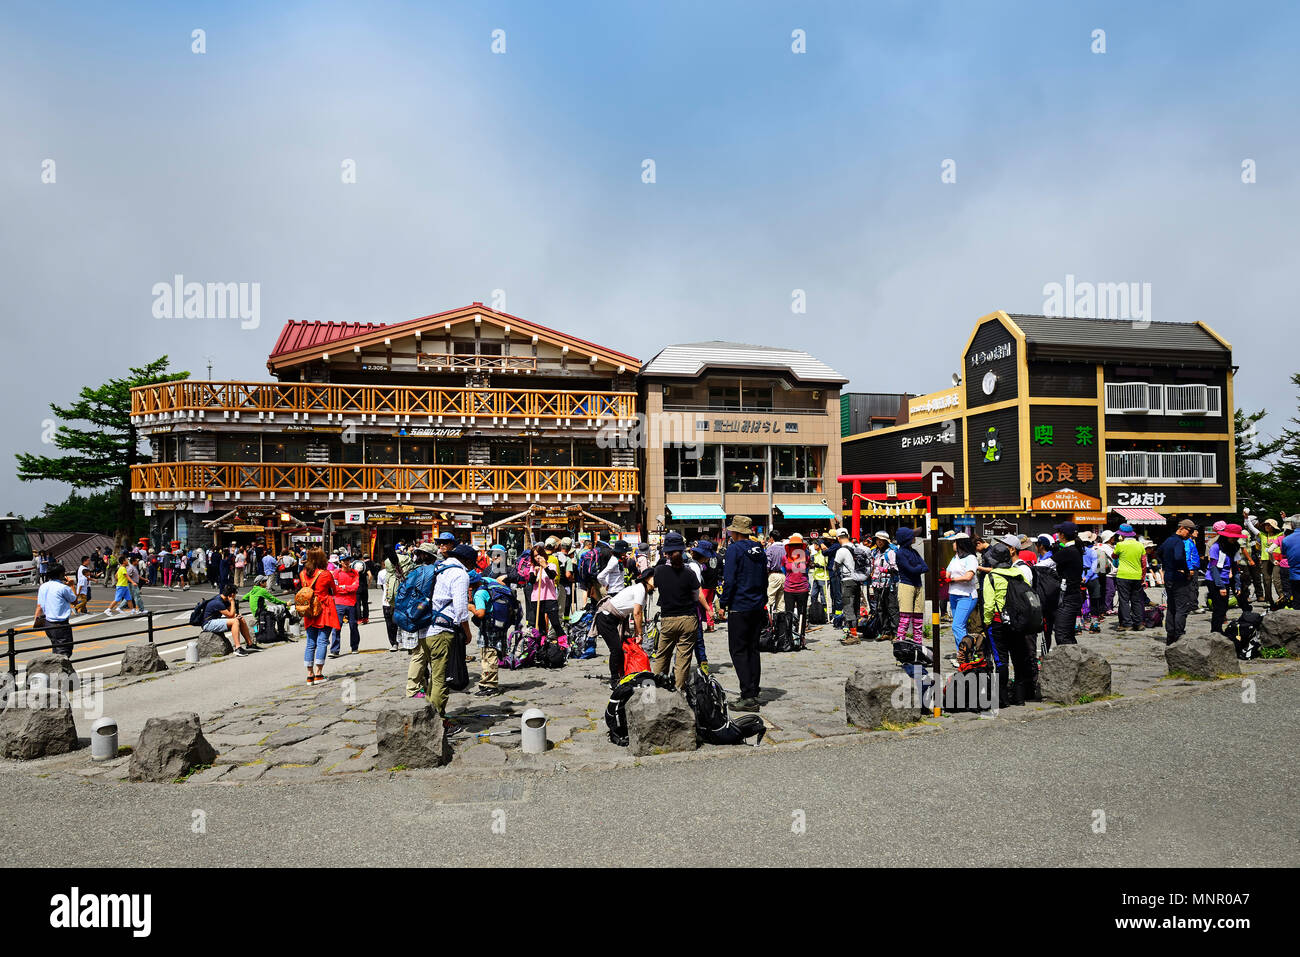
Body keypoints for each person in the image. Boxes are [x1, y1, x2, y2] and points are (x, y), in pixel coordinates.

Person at [406, 544, 474, 717]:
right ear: (466, 560)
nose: (472, 568)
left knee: (434, 677)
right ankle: (437, 721)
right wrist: (467, 633)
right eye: (472, 564)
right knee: (441, 679)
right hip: (441, 632)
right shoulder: (459, 574)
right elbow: (460, 609)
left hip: (425, 629)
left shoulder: (436, 568)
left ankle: (430, 714)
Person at [720, 516, 768, 713]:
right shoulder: (759, 550)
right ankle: (753, 689)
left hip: (740, 605)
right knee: (752, 649)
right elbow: (764, 577)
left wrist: (723, 602)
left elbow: (729, 579)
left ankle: (747, 696)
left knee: (738, 651)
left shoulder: (734, 549)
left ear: (735, 532)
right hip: (757, 604)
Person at [981, 542, 1035, 707]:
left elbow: (988, 605)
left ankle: (1002, 699)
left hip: (998, 623)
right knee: (1018, 659)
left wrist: (987, 623)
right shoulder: (1019, 573)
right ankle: (1019, 697)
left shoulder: (991, 577)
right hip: (1018, 623)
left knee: (1001, 660)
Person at [650, 532, 704, 689]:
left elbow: (654, 585)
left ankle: (657, 689)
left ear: (665, 553)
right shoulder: (689, 573)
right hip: (688, 618)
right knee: (683, 658)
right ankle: (679, 692)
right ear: (682, 551)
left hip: (668, 619)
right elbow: (695, 596)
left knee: (662, 656)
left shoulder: (659, 571)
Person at [595, 567, 654, 688]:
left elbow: (637, 613)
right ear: (647, 579)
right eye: (655, 577)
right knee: (616, 649)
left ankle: (623, 675)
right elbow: (637, 613)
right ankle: (614, 680)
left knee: (621, 648)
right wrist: (639, 634)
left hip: (614, 619)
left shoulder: (642, 590)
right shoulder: (640, 589)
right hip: (606, 618)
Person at [299, 547, 340, 683]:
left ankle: (309, 675)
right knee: (322, 641)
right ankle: (318, 673)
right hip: (324, 609)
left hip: (309, 610)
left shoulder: (303, 573)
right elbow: (334, 590)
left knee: (310, 642)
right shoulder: (326, 574)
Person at [1158, 519, 1197, 644]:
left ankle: (1170, 635)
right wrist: (1185, 570)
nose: (1190, 534)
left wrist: (1166, 566)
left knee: (1171, 607)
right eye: (1189, 531)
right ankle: (1179, 635)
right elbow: (1179, 557)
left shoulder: (1168, 540)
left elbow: (1158, 553)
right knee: (1181, 608)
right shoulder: (1179, 542)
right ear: (1182, 528)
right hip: (1178, 578)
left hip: (1168, 577)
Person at [1206, 523, 1247, 633]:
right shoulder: (1216, 547)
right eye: (1233, 537)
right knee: (1219, 608)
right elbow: (1213, 568)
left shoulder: (1234, 547)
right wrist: (1220, 586)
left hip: (1226, 579)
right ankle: (1216, 631)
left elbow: (1234, 567)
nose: (1235, 539)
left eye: (1236, 537)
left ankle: (1218, 631)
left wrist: (1237, 584)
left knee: (1224, 607)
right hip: (1214, 579)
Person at [1050, 522, 1084, 645]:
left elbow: (1046, 564)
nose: (1057, 535)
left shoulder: (1069, 551)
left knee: (1062, 634)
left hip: (1068, 597)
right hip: (1073, 595)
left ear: (1062, 535)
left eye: (1058, 532)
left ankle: (1068, 662)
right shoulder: (1075, 549)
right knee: (1068, 634)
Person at [201, 583, 256, 657]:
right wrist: (232, 602)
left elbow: (233, 613)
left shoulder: (225, 599)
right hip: (208, 623)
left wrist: (237, 615)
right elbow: (231, 615)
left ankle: (250, 644)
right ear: (232, 594)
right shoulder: (217, 602)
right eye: (235, 593)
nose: (236, 596)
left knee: (240, 619)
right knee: (235, 621)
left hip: (215, 620)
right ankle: (238, 648)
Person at [946, 534, 979, 656]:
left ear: (960, 543)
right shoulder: (955, 557)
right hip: (953, 595)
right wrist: (947, 576)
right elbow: (948, 572)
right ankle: (962, 653)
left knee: (957, 626)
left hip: (966, 596)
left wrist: (953, 580)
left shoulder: (971, 558)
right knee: (960, 627)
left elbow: (968, 576)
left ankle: (965, 654)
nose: (953, 544)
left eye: (954, 542)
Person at [35, 563, 77, 656]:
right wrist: (72, 586)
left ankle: (56, 668)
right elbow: (74, 601)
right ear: (61, 574)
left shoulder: (43, 586)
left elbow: (39, 606)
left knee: (56, 647)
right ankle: (60, 669)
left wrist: (36, 620)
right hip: (60, 624)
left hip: (48, 623)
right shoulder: (63, 588)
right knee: (65, 650)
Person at [1112, 524, 1148, 632]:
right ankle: (1138, 623)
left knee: (1124, 601)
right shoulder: (1140, 545)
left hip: (1123, 576)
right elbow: (1144, 563)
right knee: (1136, 600)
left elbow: (1114, 556)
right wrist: (1143, 578)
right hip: (1136, 576)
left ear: (1122, 535)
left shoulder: (1120, 545)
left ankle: (1126, 624)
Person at [894, 527, 927, 642]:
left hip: (917, 585)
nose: (915, 538)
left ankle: (918, 642)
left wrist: (916, 568)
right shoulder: (900, 553)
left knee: (918, 618)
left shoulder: (914, 551)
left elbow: (925, 567)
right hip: (906, 586)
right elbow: (913, 569)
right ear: (906, 538)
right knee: (905, 618)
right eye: (913, 536)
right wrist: (919, 568)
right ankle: (900, 642)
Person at [835, 528, 868, 643]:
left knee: (848, 608)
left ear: (838, 538)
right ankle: (854, 632)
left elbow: (835, 567)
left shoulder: (841, 551)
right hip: (857, 580)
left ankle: (853, 636)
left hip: (847, 581)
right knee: (855, 607)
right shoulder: (856, 547)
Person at [781, 533, 811, 644]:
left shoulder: (806, 556)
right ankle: (788, 636)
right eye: (793, 545)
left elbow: (806, 568)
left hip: (802, 588)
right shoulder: (784, 557)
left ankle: (801, 635)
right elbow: (784, 569)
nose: (795, 547)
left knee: (802, 613)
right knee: (788, 613)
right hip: (789, 589)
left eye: (797, 545)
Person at [869, 531, 898, 639]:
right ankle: (885, 631)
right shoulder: (875, 552)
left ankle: (895, 633)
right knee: (880, 609)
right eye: (877, 539)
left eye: (881, 540)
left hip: (888, 584)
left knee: (892, 608)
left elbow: (895, 568)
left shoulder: (890, 552)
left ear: (886, 541)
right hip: (877, 584)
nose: (879, 542)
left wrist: (886, 570)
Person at [528, 544, 561, 637]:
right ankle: (543, 645)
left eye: (539, 554)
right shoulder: (533, 568)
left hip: (549, 597)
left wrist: (545, 566)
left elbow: (552, 576)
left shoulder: (551, 565)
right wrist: (535, 573)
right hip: (537, 599)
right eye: (535, 556)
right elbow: (531, 581)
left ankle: (563, 643)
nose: (537, 557)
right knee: (541, 625)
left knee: (555, 623)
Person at [332, 558, 362, 655]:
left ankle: (354, 647)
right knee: (337, 626)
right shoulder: (336, 572)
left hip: (351, 602)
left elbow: (355, 587)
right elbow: (335, 588)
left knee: (353, 626)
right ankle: (335, 650)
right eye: (344, 560)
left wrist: (343, 587)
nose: (346, 562)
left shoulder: (355, 573)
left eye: (348, 560)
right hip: (338, 602)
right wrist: (348, 588)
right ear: (340, 562)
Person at [1281, 520, 1300, 609]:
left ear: (1292, 525)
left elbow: (1284, 554)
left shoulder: (1286, 540)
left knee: (1296, 600)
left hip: (1294, 574)